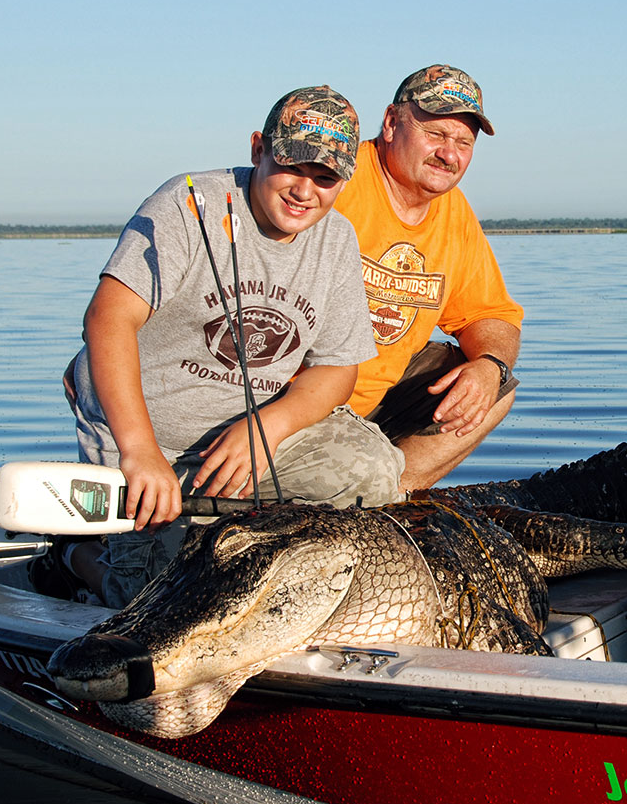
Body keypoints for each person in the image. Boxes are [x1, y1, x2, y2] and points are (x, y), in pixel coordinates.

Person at [52, 86, 405, 607]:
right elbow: (107, 318)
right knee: (156, 604)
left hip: (248, 439)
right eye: (292, 166)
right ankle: (72, 554)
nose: (305, 190)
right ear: (259, 148)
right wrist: (139, 451)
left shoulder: (336, 239)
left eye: (325, 177)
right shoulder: (187, 204)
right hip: (148, 441)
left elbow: (336, 369)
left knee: (374, 473)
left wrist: (267, 429)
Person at [334, 65, 524, 491]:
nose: (448, 154)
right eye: (435, 134)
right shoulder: (337, 181)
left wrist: (489, 366)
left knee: (496, 387)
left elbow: (491, 315)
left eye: (463, 142)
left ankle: (390, 498)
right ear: (390, 123)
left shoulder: (454, 212)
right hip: (297, 398)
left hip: (375, 399)